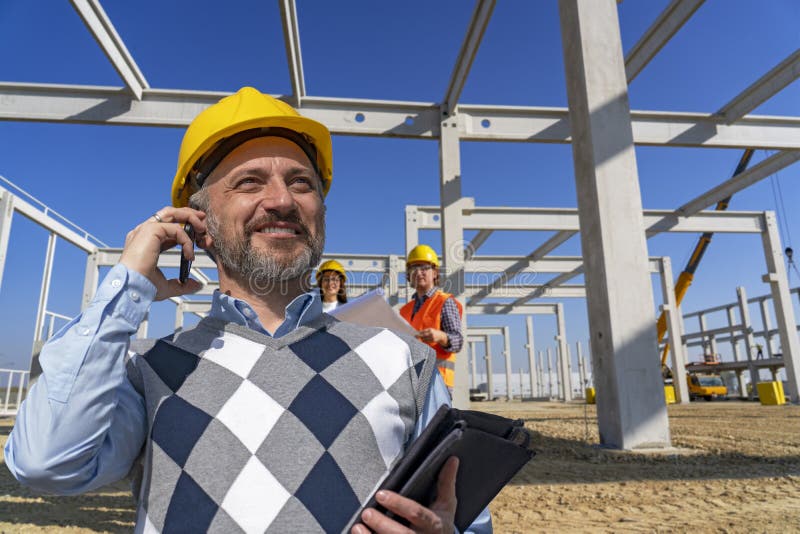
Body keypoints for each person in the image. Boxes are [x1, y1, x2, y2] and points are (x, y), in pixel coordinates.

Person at [5, 87, 490, 534]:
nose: (280, 200)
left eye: (301, 183)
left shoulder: (403, 361)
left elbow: (467, 517)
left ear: (320, 216)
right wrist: (125, 287)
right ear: (200, 226)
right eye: (248, 182)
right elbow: (45, 462)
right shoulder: (147, 371)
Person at [400, 245, 464, 396]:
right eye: (414, 268)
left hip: (438, 382)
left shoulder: (445, 302)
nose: (419, 272)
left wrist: (440, 336)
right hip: (411, 383)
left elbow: (457, 341)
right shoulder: (405, 310)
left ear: (435, 273)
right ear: (409, 275)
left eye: (424, 268)